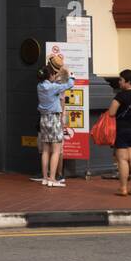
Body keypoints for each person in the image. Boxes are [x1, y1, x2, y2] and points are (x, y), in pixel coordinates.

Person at [37, 59, 75, 187]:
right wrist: (69, 74)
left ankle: (45, 177)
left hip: (43, 119)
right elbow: (69, 84)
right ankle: (52, 179)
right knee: (56, 150)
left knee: (46, 150)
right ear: (50, 76)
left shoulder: (40, 86)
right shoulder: (53, 87)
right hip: (53, 119)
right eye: (53, 74)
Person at [108, 69, 131, 197]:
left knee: (122, 159)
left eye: (120, 80)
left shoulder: (120, 96)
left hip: (122, 128)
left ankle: (123, 188)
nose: (119, 82)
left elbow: (111, 112)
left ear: (127, 82)